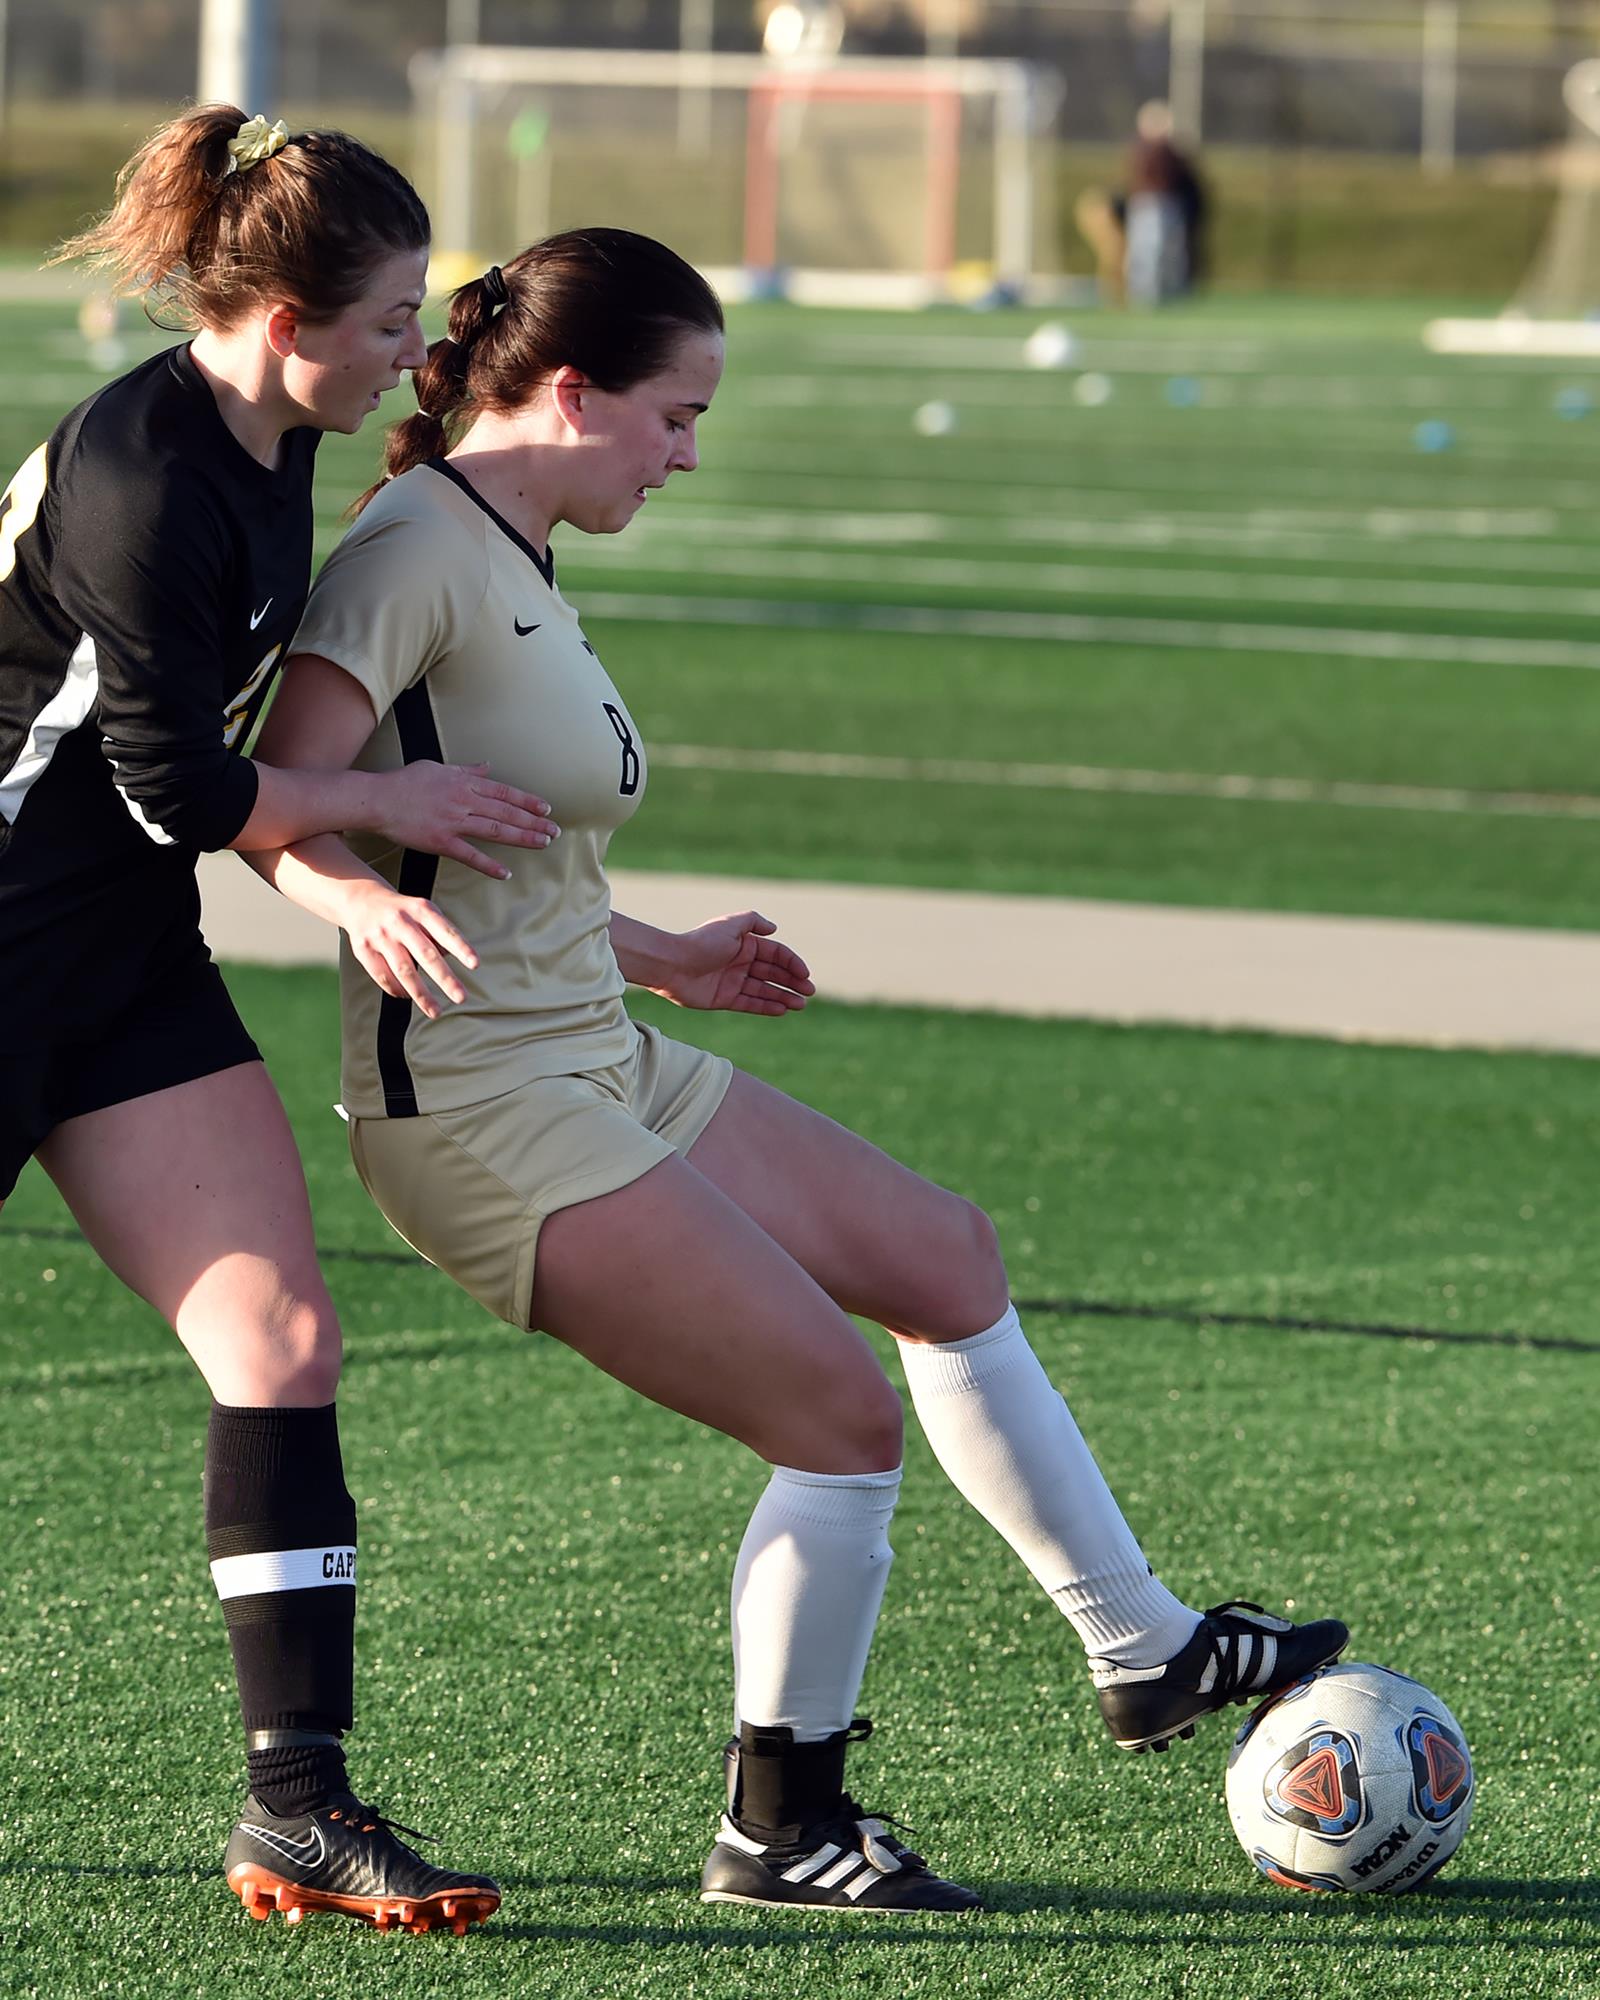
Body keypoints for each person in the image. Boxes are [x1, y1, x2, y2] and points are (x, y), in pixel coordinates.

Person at [245, 228, 1348, 1914]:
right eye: (673, 417)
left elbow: (506, 859)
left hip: (593, 1049)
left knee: (944, 1257)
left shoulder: (517, 547)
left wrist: (665, 954)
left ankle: (1148, 1650)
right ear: (566, 392)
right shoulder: (415, 551)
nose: (687, 455)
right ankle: (782, 1828)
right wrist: (338, 893)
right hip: (475, 1115)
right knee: (835, 1419)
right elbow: (275, 795)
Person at [0, 106, 562, 1935]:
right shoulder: (148, 477)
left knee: (284, 1332)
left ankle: (297, 1803)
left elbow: (183, 806)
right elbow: (178, 783)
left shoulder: (266, 435)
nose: (418, 344)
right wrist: (383, 824)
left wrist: (335, 874)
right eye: (395, 315)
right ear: (287, 313)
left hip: (114, 955)